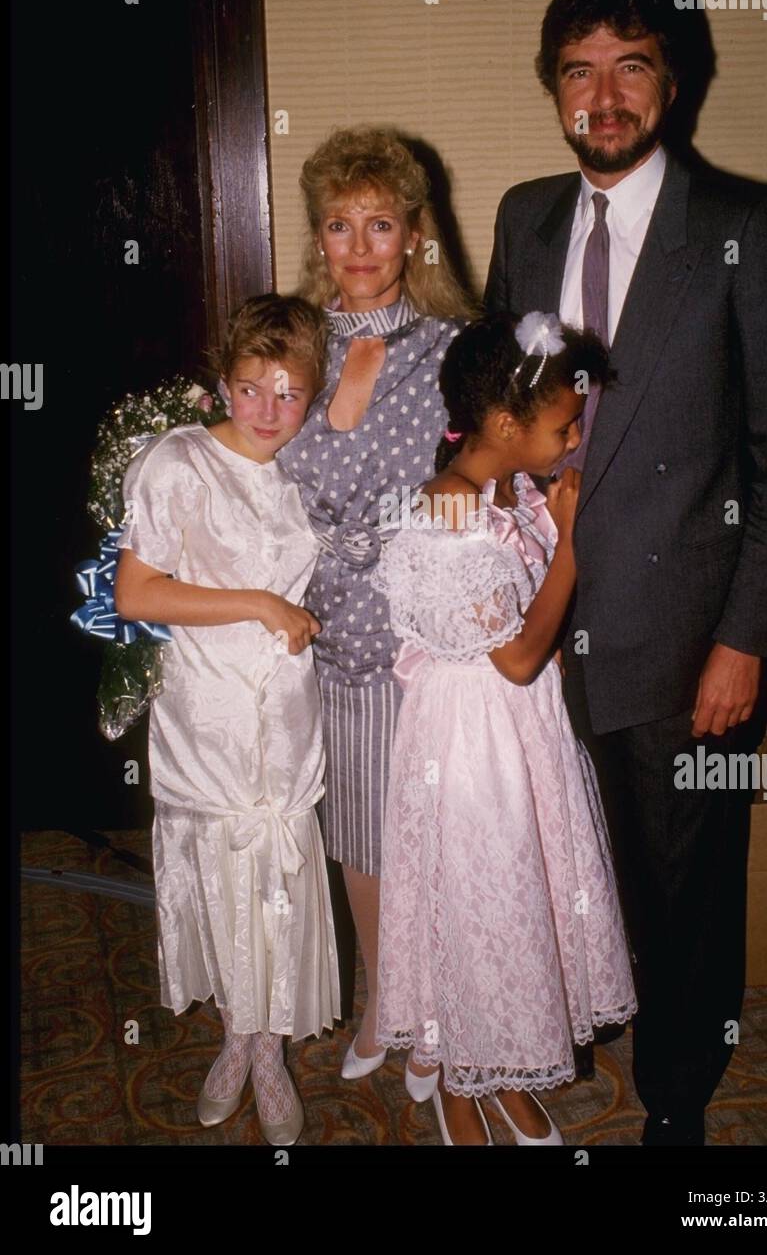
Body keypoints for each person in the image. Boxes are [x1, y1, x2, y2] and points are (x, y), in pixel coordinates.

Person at [485, 0, 767, 1144]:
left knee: (682, 877)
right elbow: (502, 404)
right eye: (577, 70)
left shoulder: (749, 228)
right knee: (574, 858)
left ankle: (675, 1093)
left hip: (682, 636)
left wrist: (745, 639)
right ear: (553, 89)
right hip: (539, 619)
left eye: (629, 65)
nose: (602, 95)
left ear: (670, 82)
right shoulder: (523, 216)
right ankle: (589, 1026)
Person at [370, 311, 637, 1145]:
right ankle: (458, 1076)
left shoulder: (498, 491)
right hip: (470, 744)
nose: (570, 441)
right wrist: (568, 542)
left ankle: (504, 1066)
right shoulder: (445, 519)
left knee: (516, 906)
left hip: (516, 732)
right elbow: (519, 656)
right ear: (505, 424)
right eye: (561, 426)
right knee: (471, 899)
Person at [114, 296, 340, 1146]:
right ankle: (232, 1041)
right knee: (220, 881)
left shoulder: (300, 477)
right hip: (203, 715)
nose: (269, 412)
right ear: (223, 385)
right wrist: (258, 602)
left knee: (276, 887)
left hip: (283, 716)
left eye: (290, 395)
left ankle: (269, 1047)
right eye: (252, 389)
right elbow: (138, 594)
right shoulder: (177, 463)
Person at [277, 126, 475, 1086]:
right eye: (340, 226)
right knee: (358, 839)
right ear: (320, 239)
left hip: (425, 645)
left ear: (414, 237)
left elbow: (506, 480)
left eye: (381, 224)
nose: (359, 247)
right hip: (324, 643)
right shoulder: (294, 352)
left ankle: (435, 1016)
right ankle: (377, 1006)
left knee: (434, 839)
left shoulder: (454, 352)